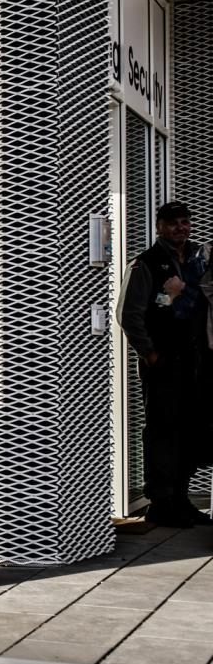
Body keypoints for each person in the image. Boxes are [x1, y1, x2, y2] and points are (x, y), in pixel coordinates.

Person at [119, 201, 213, 528]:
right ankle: (160, 502)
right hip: (164, 362)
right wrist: (150, 354)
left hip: (196, 361)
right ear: (159, 226)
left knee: (190, 431)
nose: (180, 228)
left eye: (185, 222)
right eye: (173, 223)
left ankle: (181, 499)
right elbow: (129, 315)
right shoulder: (147, 263)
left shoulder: (198, 261)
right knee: (162, 431)